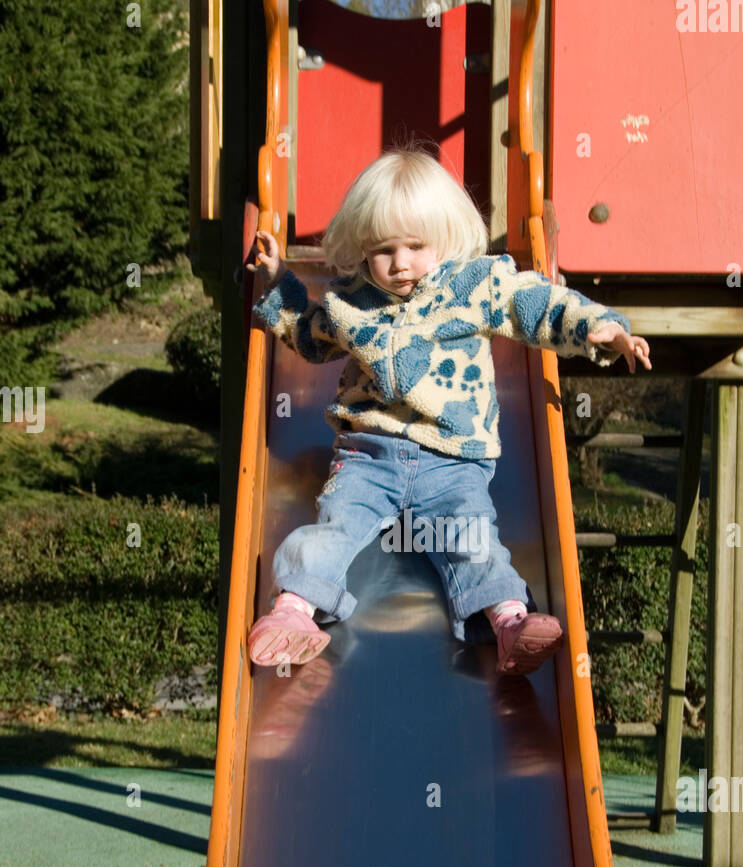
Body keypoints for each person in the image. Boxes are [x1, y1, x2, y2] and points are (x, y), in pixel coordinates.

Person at [246, 148, 651, 676]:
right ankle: (294, 611)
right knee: (332, 528)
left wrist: (597, 326)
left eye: (416, 246)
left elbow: (536, 303)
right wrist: (278, 280)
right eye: (383, 250)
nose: (400, 263)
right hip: (369, 456)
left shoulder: (475, 286)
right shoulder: (352, 302)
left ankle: (509, 621)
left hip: (453, 458)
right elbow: (308, 335)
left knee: (472, 535)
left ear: (444, 235)